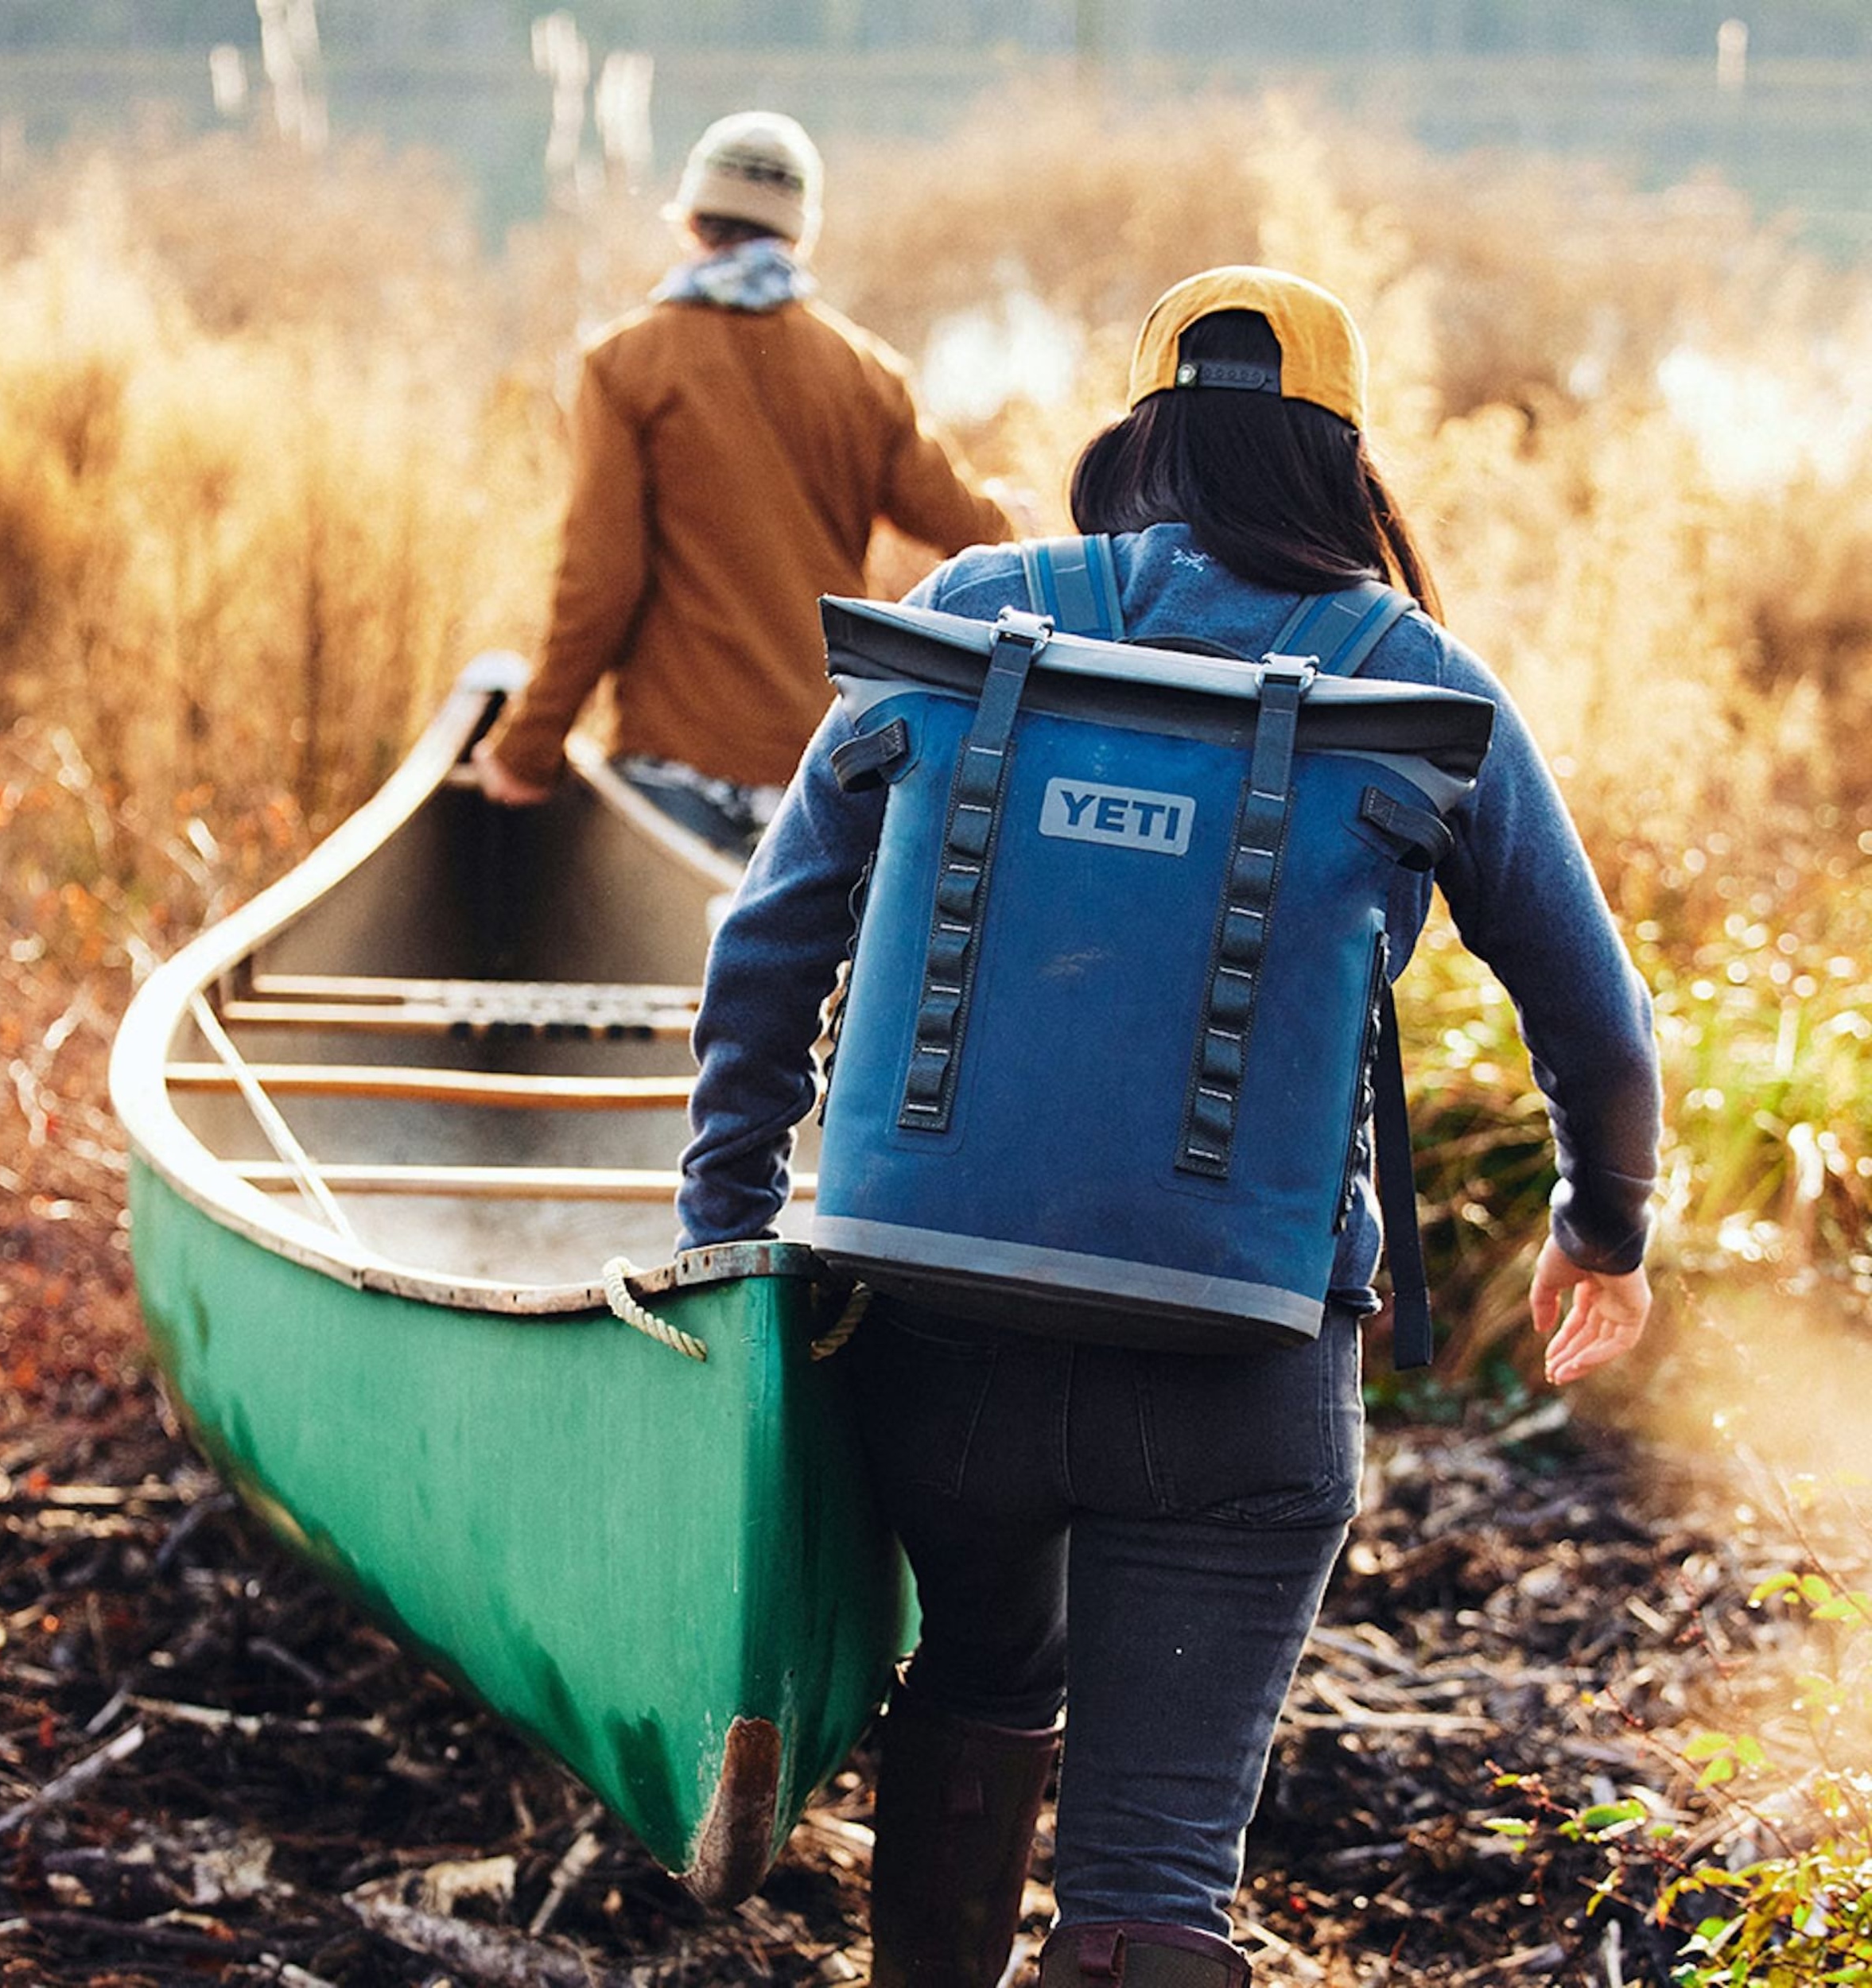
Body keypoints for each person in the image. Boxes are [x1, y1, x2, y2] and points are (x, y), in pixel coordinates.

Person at [674, 266, 1661, 1986]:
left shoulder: (979, 613)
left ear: (1138, 439)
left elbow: (766, 939)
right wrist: (1601, 1221)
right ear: (1338, 468)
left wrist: (727, 1213)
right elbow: (1596, 1014)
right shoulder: (1410, 676)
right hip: (1239, 1373)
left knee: (978, 1675)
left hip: (937, 1344)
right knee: (1149, 1872)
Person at [473, 110, 1015, 855]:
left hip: (676, 767)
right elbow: (972, 534)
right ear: (800, 231)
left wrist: (528, 751)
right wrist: (1009, 511)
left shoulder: (626, 366)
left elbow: (601, 583)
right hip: (824, 772)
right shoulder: (863, 373)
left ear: (691, 219)